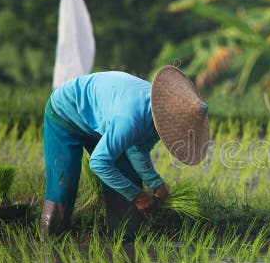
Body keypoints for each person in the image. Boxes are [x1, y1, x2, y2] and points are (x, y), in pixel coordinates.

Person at [40, 66, 209, 237]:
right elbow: (98, 163)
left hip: (103, 118)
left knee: (128, 174)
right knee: (64, 183)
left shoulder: (157, 116)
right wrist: (138, 196)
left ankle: (126, 241)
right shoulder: (130, 120)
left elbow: (137, 150)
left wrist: (156, 183)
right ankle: (51, 242)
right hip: (65, 113)